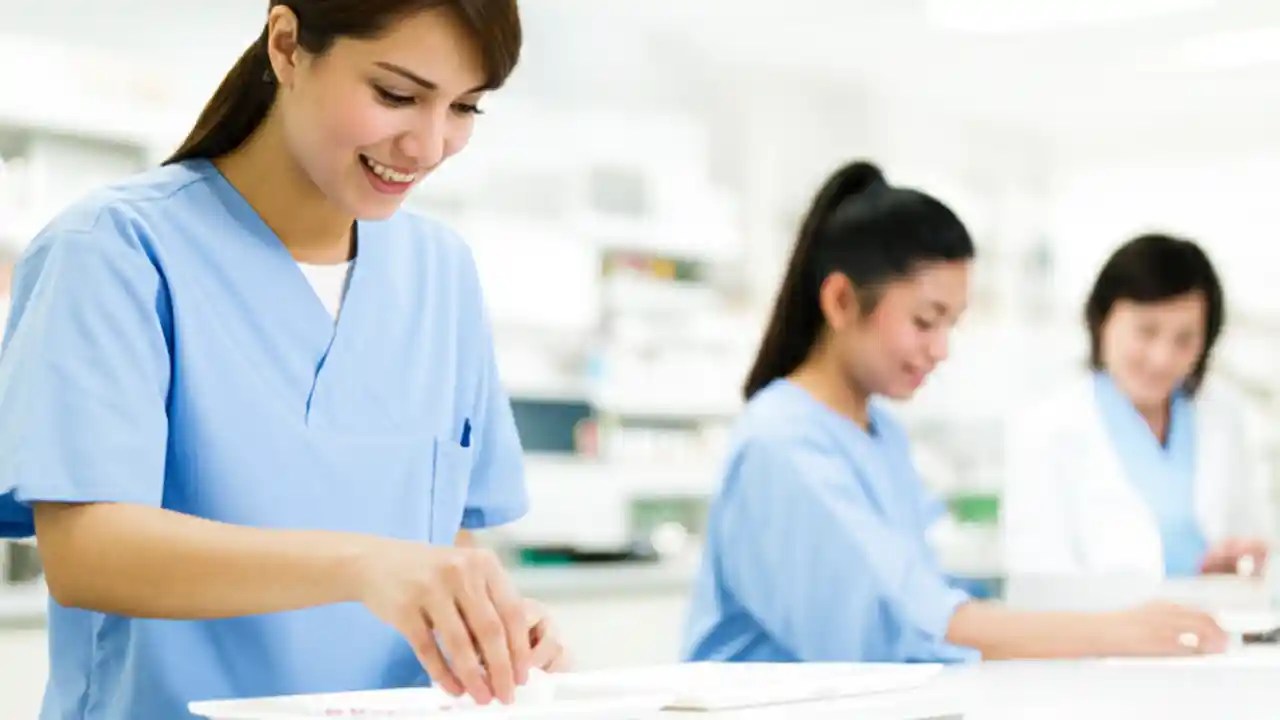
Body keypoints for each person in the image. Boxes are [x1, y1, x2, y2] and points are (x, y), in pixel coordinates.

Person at [0, 2, 567, 718]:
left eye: (464, 108)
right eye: (396, 95)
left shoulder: (441, 273)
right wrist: (367, 567)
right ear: (289, 44)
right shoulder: (115, 250)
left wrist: (489, 625)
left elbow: (446, 539)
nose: (428, 145)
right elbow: (87, 553)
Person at [682, 161, 1228, 664]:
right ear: (841, 301)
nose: (941, 349)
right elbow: (905, 624)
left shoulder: (879, 433)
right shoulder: (781, 443)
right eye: (925, 321)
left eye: (952, 324)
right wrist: (1113, 632)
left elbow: (927, 595)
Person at [1002, 235, 1271, 579]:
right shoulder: (1045, 428)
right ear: (1102, 320)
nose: (1162, 358)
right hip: (1097, 616)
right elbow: (1036, 578)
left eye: (1185, 339)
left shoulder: (1223, 416)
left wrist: (1237, 566)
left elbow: (1252, 540)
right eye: (1146, 332)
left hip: (1212, 612)